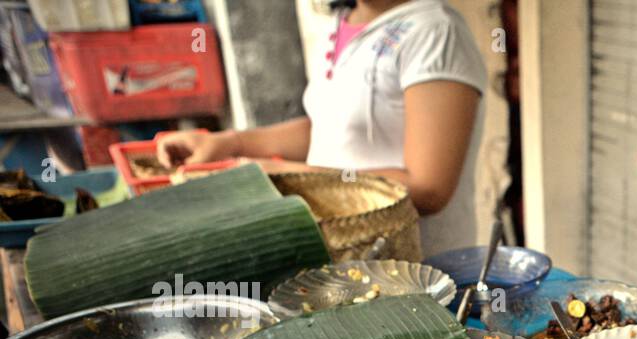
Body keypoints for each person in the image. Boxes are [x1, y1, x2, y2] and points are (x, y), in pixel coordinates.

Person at [155, 0, 486, 256]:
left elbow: (428, 189)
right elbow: (328, 130)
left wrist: (292, 175)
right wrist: (229, 142)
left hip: (416, 269)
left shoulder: (436, 32)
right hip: (342, 259)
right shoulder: (343, 20)